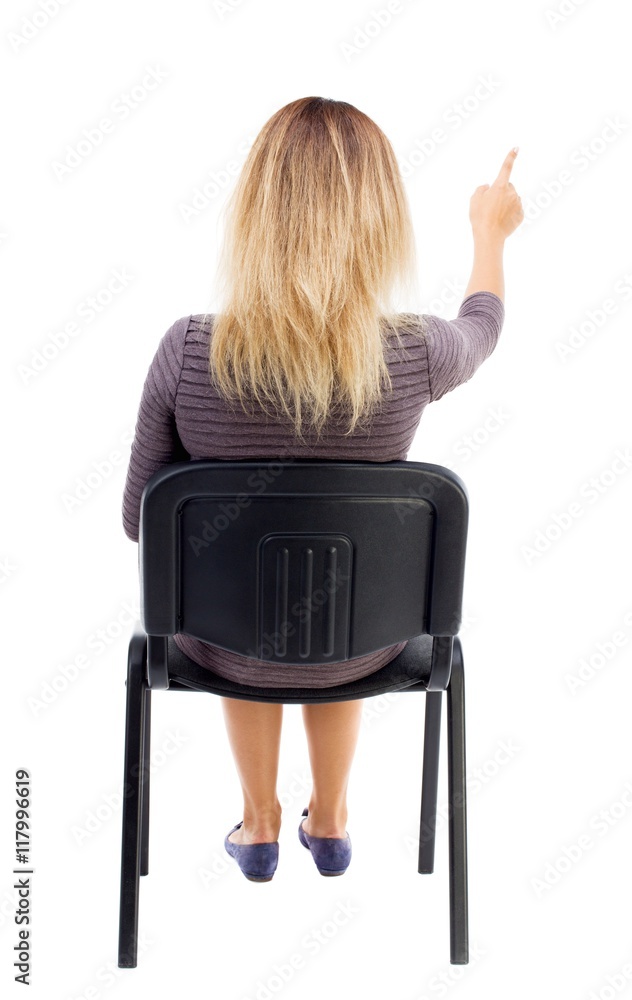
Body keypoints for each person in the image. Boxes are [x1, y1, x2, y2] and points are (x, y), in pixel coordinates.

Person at [121, 96, 524, 881]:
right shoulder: (413, 352)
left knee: (234, 609)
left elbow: (142, 519)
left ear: (256, 210)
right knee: (343, 602)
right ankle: (332, 816)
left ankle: (261, 822)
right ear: (378, 216)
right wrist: (488, 232)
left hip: (221, 643)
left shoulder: (189, 348)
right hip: (365, 641)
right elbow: (483, 327)